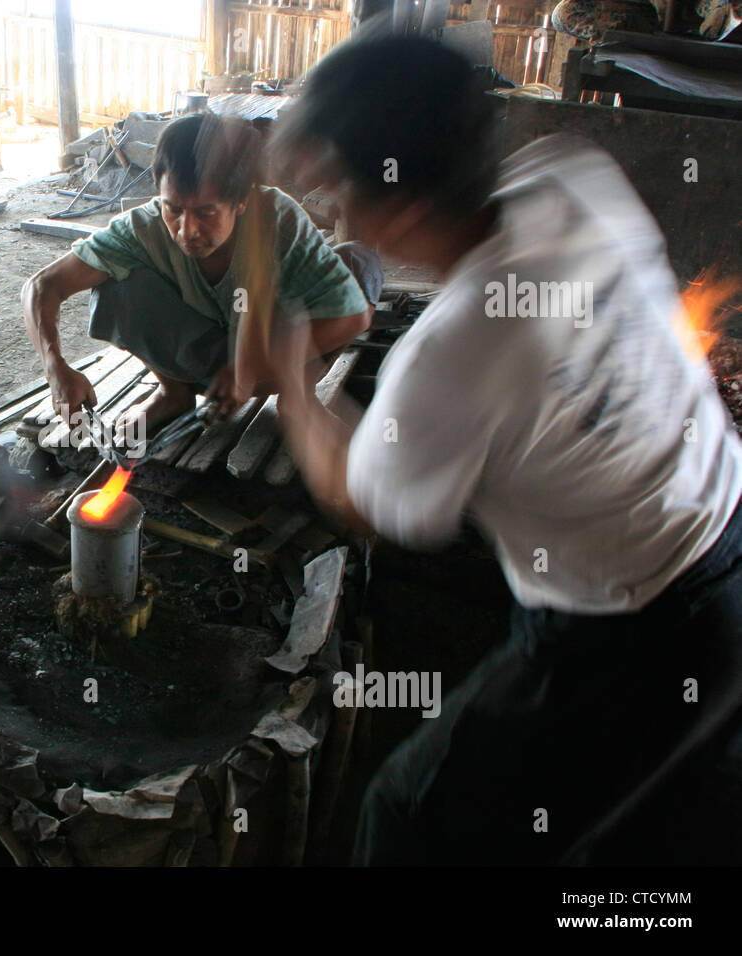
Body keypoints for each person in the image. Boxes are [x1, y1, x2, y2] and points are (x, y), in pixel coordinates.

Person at [268, 34, 742, 865]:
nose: (333, 216)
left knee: (409, 816)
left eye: (339, 195)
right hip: (726, 531)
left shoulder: (455, 352)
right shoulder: (571, 177)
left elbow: (357, 500)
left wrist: (293, 382)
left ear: (401, 211)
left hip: (632, 629)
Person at [23, 112, 380, 440]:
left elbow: (353, 316)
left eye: (206, 212)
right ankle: (173, 392)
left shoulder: (279, 220)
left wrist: (252, 365)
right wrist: (56, 367)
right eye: (173, 209)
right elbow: (42, 286)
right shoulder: (142, 227)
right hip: (203, 361)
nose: (186, 230)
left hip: (273, 360)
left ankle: (298, 398)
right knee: (113, 284)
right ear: (158, 194)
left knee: (358, 264)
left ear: (240, 203)